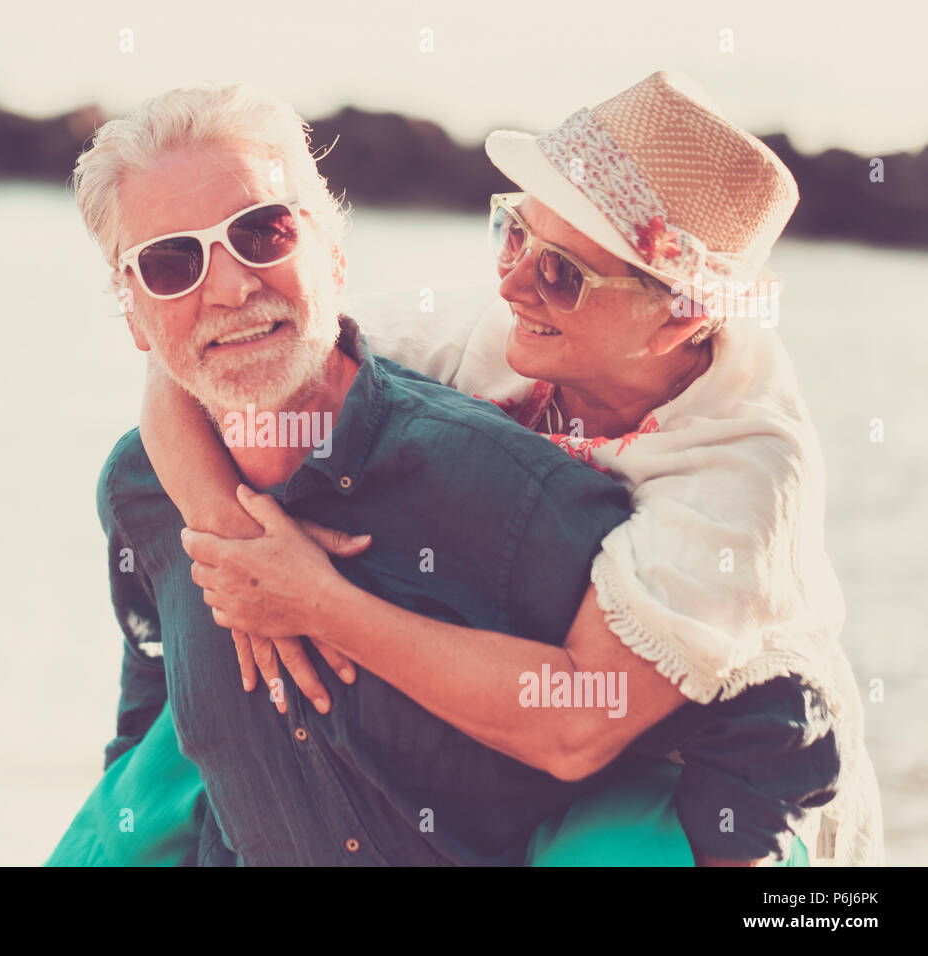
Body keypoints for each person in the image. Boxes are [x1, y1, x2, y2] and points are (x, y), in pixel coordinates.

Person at [48, 76, 845, 867]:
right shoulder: (504, 330)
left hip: (729, 735)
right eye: (512, 233)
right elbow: (228, 341)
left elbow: (576, 720)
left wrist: (313, 599)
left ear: (683, 317)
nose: (512, 282)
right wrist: (234, 544)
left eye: (562, 272)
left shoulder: (746, 472)